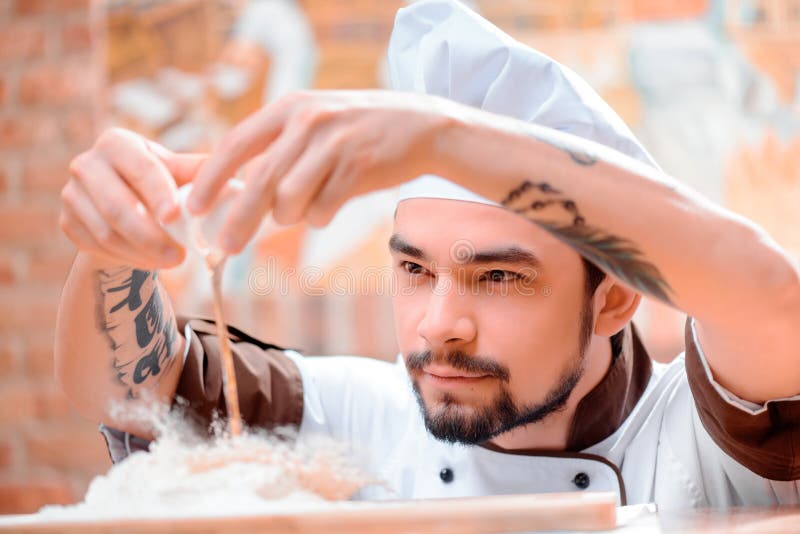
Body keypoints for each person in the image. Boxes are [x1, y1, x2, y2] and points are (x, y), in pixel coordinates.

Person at [55, 0, 800, 508]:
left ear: (613, 295)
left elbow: (768, 295)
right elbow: (131, 393)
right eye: (415, 269)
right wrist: (109, 251)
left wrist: (438, 138)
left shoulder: (709, 440)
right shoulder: (358, 420)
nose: (439, 324)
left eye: (499, 275)